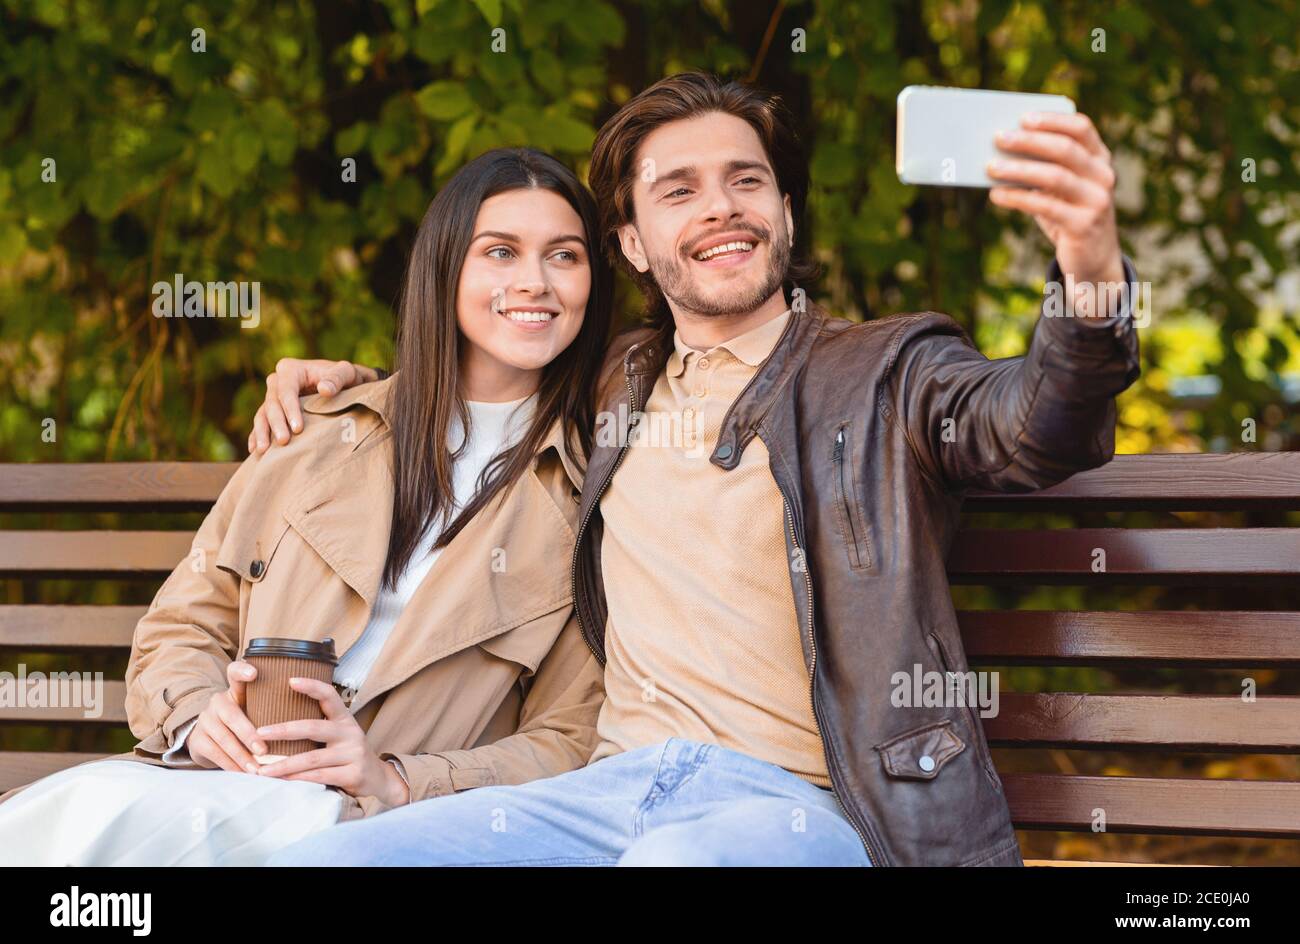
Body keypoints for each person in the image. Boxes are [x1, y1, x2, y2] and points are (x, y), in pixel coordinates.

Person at [261, 72, 1140, 867]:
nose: (721, 207)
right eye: (679, 191)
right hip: (597, 799)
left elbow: (1035, 428)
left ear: (786, 213)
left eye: (745, 181)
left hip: (797, 811)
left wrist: (1090, 268)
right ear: (635, 246)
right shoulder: (613, 382)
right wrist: (346, 384)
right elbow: (485, 371)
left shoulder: (888, 372)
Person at [0, 147, 612, 865]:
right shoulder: (314, 434)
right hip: (221, 784)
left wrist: (397, 780)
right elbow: (185, 622)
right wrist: (197, 719)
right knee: (74, 821)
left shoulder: (592, 501)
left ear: (592, 281)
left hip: (388, 831)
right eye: (500, 252)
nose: (533, 282)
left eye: (564, 256)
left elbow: (572, 735)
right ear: (446, 269)